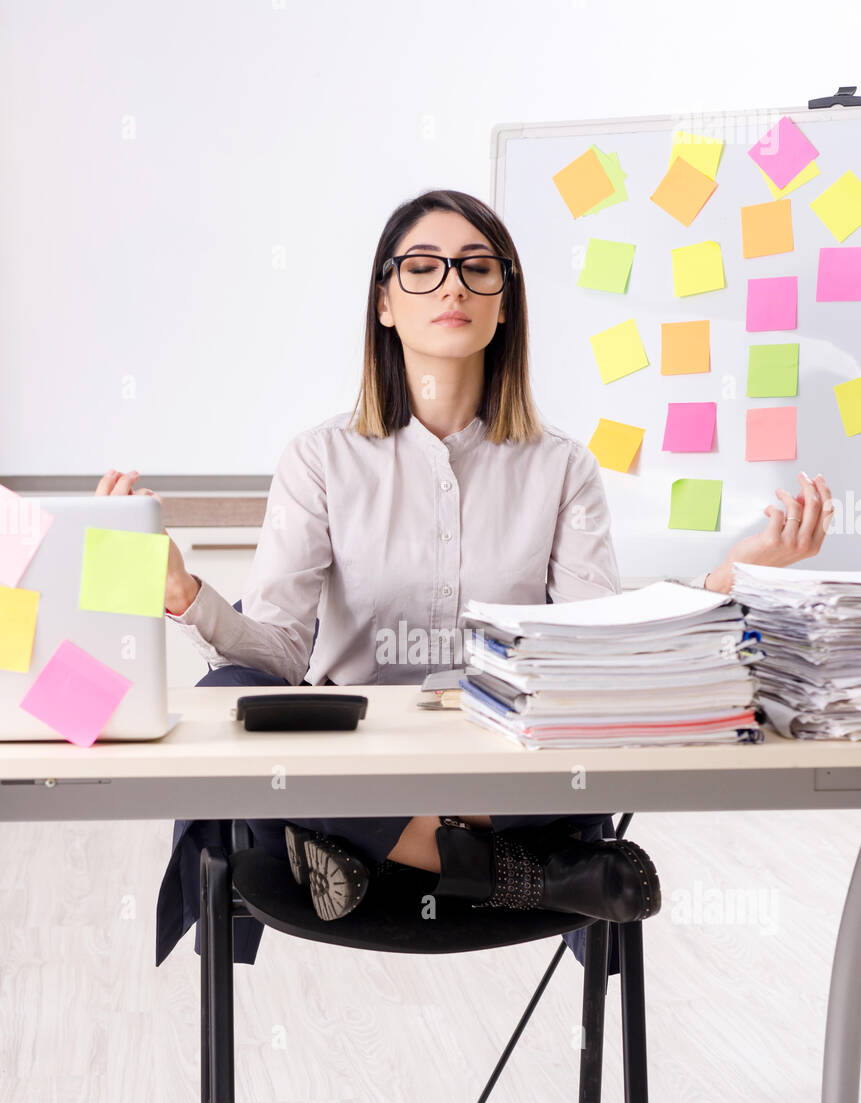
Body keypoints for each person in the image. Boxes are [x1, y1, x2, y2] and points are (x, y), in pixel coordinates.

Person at [96, 188, 831, 969]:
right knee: (227, 700)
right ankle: (516, 875)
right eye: (423, 267)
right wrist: (182, 593)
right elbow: (278, 653)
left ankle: (422, 854)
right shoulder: (320, 460)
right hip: (358, 778)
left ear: (504, 302)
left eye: (477, 269)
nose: (451, 285)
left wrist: (724, 578)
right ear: (384, 302)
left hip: (501, 772)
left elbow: (597, 647)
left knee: (591, 735)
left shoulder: (560, 467)